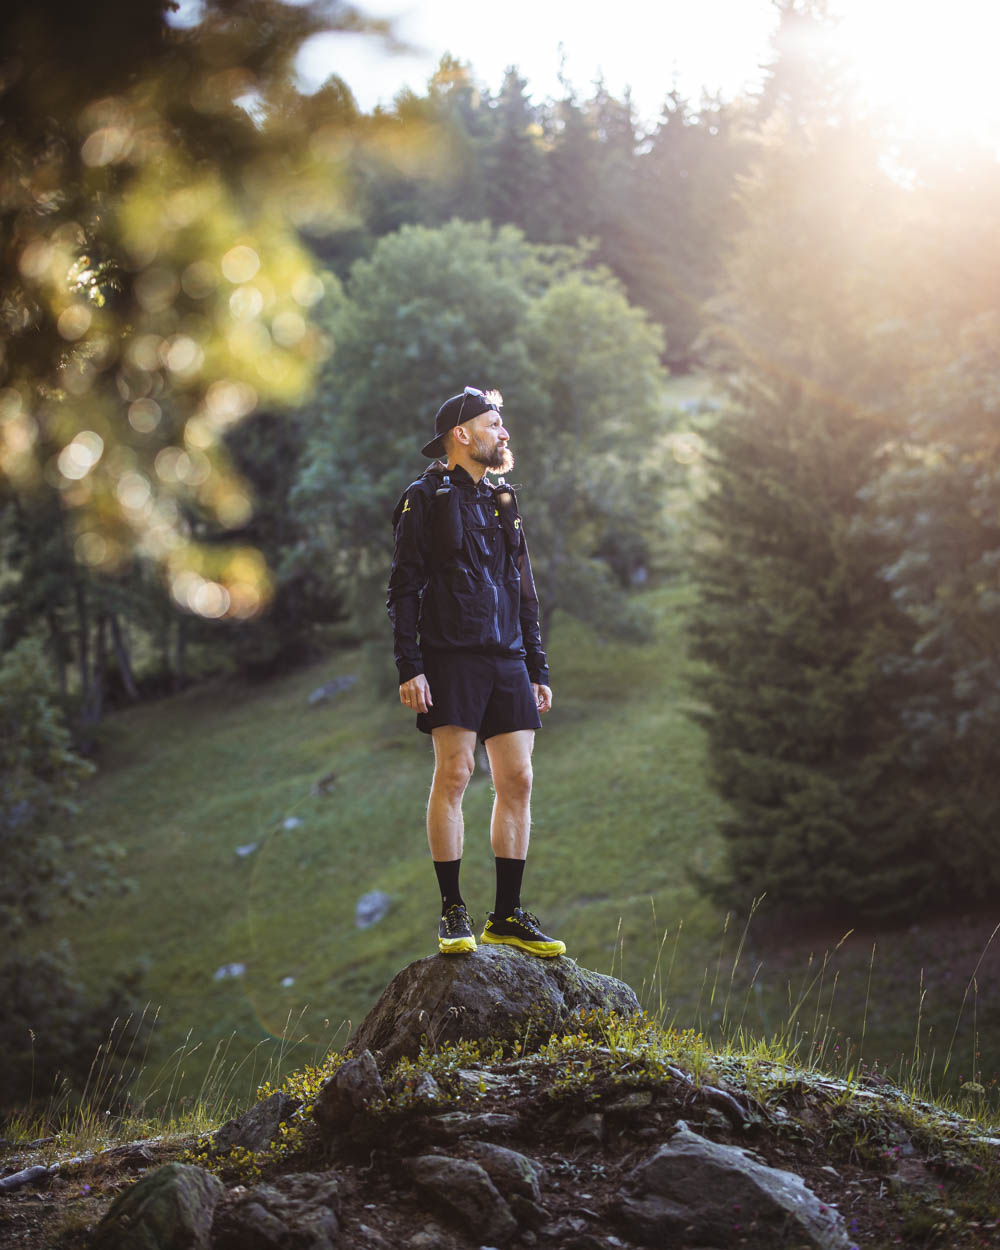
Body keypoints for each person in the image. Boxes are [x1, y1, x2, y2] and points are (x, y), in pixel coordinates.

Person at [387, 386, 566, 958]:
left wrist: (536, 666)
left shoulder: (503, 500)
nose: (504, 433)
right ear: (461, 434)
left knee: (519, 780)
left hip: (508, 657)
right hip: (450, 656)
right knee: (456, 773)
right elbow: (403, 589)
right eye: (493, 423)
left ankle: (507, 916)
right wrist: (410, 666)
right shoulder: (423, 498)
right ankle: (452, 911)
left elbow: (524, 591)